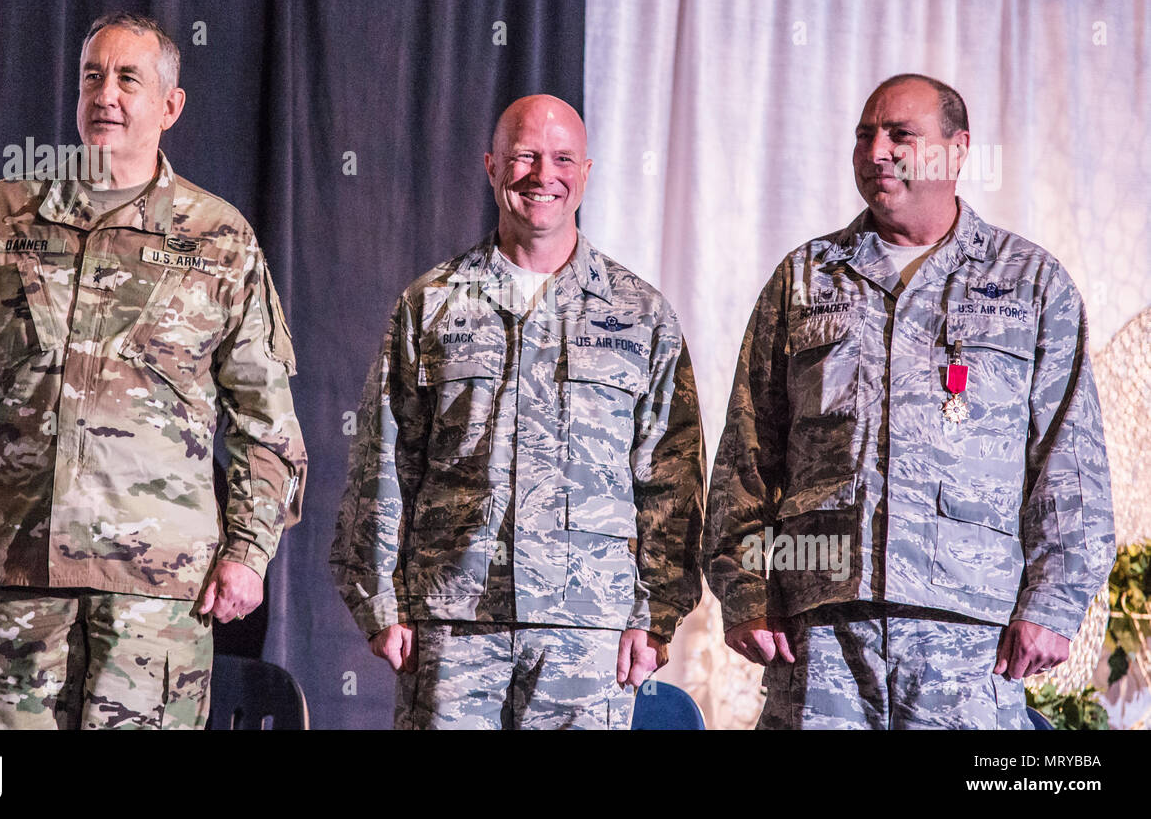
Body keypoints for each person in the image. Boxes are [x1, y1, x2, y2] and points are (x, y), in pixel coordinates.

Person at [0, 11, 307, 729]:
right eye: (92, 76)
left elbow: (264, 417)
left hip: (154, 597)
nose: (106, 95)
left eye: (128, 78)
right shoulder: (5, 217)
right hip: (17, 578)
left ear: (170, 105)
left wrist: (248, 552)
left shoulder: (219, 238)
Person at [703, 73, 1116, 729]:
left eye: (901, 134)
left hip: (970, 640)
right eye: (865, 135)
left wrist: (1053, 606)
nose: (876, 151)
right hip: (820, 635)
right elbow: (746, 461)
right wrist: (748, 591)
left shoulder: (1030, 283)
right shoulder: (805, 278)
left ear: (957, 150)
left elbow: (1072, 464)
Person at [331, 94, 704, 729]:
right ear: (491, 165)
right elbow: (383, 461)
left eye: (562, 158)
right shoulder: (432, 305)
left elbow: (672, 474)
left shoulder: (640, 315)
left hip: (589, 631)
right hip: (453, 623)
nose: (542, 175)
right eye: (525, 156)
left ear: (585, 172)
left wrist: (657, 612)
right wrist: (381, 600)